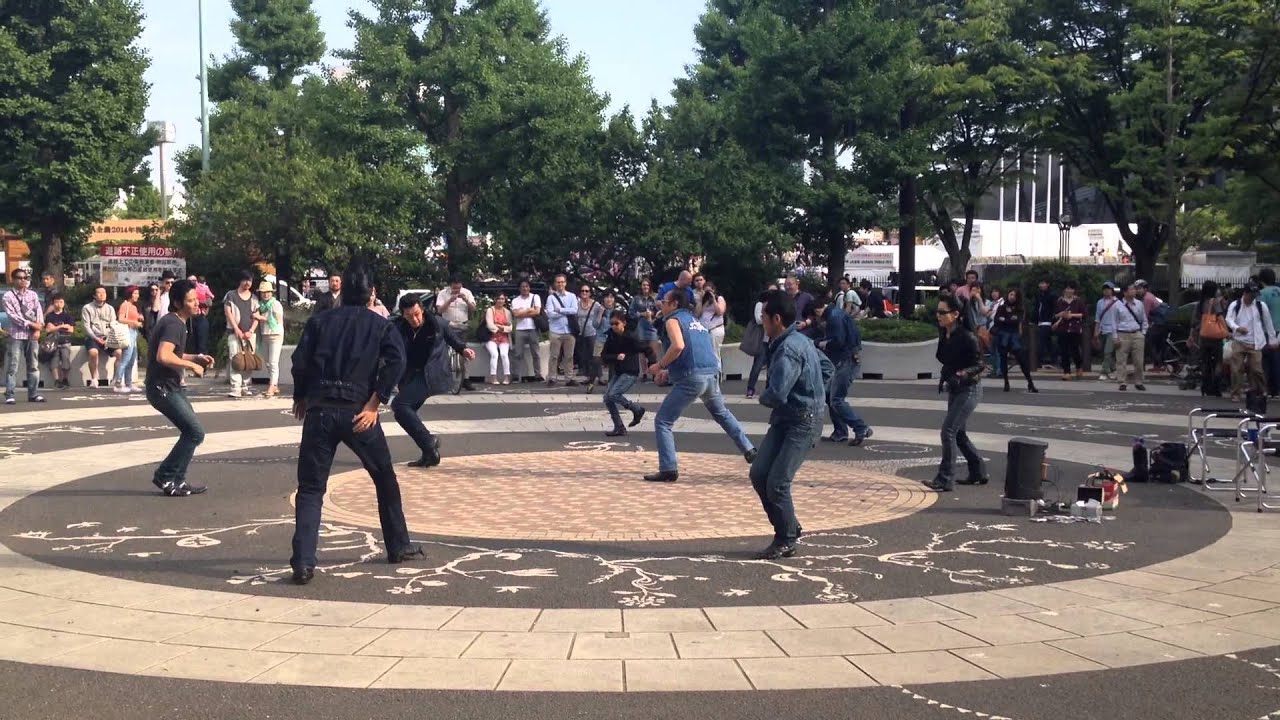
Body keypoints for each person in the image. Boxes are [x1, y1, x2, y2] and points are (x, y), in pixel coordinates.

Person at [290, 266, 424, 585]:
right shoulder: (380, 325)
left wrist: (301, 396)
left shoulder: (319, 321)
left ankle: (304, 562)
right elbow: (397, 362)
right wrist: (375, 403)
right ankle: (398, 545)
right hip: (358, 412)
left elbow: (299, 361)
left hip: (320, 409)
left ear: (342, 292)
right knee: (384, 477)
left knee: (310, 489)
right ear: (371, 293)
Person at [644, 288, 756, 483]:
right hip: (710, 374)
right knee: (722, 414)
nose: (661, 303)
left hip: (691, 378)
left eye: (664, 300)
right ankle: (748, 448)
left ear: (674, 304)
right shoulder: (696, 322)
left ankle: (668, 468)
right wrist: (669, 372)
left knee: (663, 421)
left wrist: (660, 365)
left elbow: (678, 346)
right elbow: (696, 351)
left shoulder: (672, 320)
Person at [751, 289, 832, 559]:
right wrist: (815, 391)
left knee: (777, 482)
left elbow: (776, 394)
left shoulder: (789, 349)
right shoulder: (797, 339)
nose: (760, 319)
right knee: (759, 473)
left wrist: (764, 397)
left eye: (763, 315)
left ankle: (785, 537)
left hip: (802, 421)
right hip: (787, 419)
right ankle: (788, 526)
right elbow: (827, 369)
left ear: (776, 318)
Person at [145, 279, 215, 497]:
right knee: (195, 432)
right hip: (162, 388)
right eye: (191, 300)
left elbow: (172, 353)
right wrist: (192, 365)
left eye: (196, 299)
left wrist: (196, 357)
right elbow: (163, 356)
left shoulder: (175, 321)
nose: (196, 303)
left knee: (191, 432)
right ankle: (166, 475)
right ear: (177, 303)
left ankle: (177, 479)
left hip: (169, 386)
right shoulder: (174, 324)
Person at [391, 293, 476, 468]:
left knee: (400, 405)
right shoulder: (398, 327)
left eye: (416, 314)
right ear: (403, 315)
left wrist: (464, 349)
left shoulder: (436, 323)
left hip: (432, 373)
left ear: (422, 309)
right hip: (411, 374)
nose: (414, 319)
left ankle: (429, 440)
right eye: (409, 316)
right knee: (403, 414)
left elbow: (452, 339)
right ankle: (429, 452)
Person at [928, 295, 987, 492]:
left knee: (948, 431)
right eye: (937, 312)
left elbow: (980, 365)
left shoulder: (967, 336)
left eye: (943, 312)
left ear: (955, 314)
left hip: (969, 388)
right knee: (958, 433)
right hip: (955, 386)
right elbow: (943, 358)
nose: (939, 315)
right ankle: (978, 471)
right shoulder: (945, 333)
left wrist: (963, 374)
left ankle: (945, 478)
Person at [815, 292, 873, 446]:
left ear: (820, 309)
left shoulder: (834, 317)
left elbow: (838, 342)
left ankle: (860, 427)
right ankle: (840, 431)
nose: (819, 319)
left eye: (817, 313)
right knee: (830, 396)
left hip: (845, 361)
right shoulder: (837, 314)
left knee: (836, 399)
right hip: (847, 359)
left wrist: (822, 343)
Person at [600, 309, 652, 436]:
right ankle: (619, 426)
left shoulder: (630, 337)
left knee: (613, 394)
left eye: (616, 324)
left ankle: (637, 409)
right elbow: (604, 355)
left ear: (623, 323)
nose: (613, 327)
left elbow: (647, 349)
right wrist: (616, 357)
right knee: (607, 398)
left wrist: (653, 365)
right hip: (618, 371)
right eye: (611, 324)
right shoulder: (611, 337)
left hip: (630, 372)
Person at [1226, 282, 1277, 403]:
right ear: (1245, 293)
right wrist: (1237, 328)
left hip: (1256, 342)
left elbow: (1268, 323)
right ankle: (1236, 393)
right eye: (1251, 295)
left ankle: (1261, 390)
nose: (1253, 297)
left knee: (1256, 369)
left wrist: (1272, 339)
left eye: (1255, 295)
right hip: (1239, 341)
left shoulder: (1261, 306)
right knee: (1236, 369)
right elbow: (1229, 319)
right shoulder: (1236, 305)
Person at [3, 269, 46, 404]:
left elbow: (38, 310)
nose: (23, 280)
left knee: (33, 365)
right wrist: (32, 325)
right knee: (13, 366)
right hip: (16, 334)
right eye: (19, 278)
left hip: (32, 335)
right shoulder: (8, 296)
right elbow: (13, 316)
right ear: (13, 279)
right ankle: (10, 394)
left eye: (25, 278)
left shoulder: (32, 294)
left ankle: (33, 393)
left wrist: (38, 328)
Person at [991, 288, 1037, 393]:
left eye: (1014, 295)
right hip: (1003, 335)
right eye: (1011, 294)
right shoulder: (1002, 307)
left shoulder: (1019, 308)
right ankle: (1006, 382)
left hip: (1014, 336)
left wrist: (1005, 320)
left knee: (1022, 359)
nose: (1012, 297)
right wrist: (1009, 319)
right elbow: (997, 320)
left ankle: (1030, 382)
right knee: (1003, 358)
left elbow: (1016, 320)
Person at [436, 277, 477, 391]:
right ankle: (445, 377)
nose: (457, 290)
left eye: (459, 288)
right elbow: (439, 311)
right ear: (450, 286)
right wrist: (449, 300)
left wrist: (466, 300)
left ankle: (465, 378)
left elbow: (473, 309)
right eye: (454, 288)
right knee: (445, 351)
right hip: (448, 325)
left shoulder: (467, 293)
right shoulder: (443, 293)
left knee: (465, 351)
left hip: (462, 325)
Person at [223, 271, 259, 398]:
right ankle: (235, 388)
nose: (247, 283)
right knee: (235, 359)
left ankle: (246, 386)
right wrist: (237, 329)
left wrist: (251, 331)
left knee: (249, 360)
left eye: (249, 280)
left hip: (250, 334)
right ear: (240, 280)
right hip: (234, 333)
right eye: (245, 280)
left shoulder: (254, 298)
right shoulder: (231, 295)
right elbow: (228, 313)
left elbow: (256, 316)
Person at [1190, 280, 1227, 397]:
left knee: (1205, 362)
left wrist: (1192, 335)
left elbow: (1193, 322)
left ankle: (1205, 385)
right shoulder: (1215, 302)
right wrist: (1226, 330)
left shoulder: (1199, 304)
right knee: (1218, 362)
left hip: (1203, 336)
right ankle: (1216, 386)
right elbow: (1220, 317)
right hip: (1216, 337)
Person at [81, 286, 121, 389]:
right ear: (94, 295)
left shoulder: (110, 308)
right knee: (93, 352)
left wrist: (110, 337)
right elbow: (86, 326)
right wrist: (95, 338)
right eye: (99, 293)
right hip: (93, 337)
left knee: (119, 353)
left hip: (108, 336)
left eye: (104, 293)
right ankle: (94, 379)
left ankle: (116, 378)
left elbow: (114, 324)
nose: (102, 295)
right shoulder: (87, 308)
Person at [545, 274, 579, 386]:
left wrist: (559, 310)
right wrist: (565, 311)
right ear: (555, 284)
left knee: (569, 356)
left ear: (565, 283)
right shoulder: (551, 298)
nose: (560, 284)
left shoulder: (572, 296)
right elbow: (550, 314)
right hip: (556, 331)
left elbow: (574, 310)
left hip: (569, 330)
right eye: (558, 282)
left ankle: (569, 378)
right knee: (554, 356)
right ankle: (552, 377)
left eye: (562, 282)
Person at [1114, 283, 1149, 392]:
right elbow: (1114, 322)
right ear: (1125, 292)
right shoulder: (1117, 305)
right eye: (1132, 289)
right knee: (1121, 360)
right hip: (1122, 333)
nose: (1134, 291)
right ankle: (1122, 382)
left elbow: (1144, 319)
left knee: (1139, 360)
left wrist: (1143, 332)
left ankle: (1138, 381)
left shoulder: (1139, 304)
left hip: (1137, 333)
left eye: (1135, 289)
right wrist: (1115, 337)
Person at [253, 281, 285, 397]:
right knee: (267, 362)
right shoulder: (260, 305)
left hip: (275, 334)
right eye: (263, 292)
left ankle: (272, 385)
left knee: (273, 362)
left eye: (268, 292)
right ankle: (274, 384)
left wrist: (260, 317)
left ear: (272, 293)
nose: (266, 294)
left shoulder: (275, 304)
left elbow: (277, 321)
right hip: (265, 334)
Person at [745, 286, 777, 399]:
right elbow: (758, 319)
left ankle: (769, 389)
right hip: (763, 339)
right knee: (758, 365)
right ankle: (750, 388)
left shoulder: (778, 305)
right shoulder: (760, 304)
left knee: (772, 365)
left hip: (774, 338)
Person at [510, 280, 543, 383]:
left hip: (533, 327)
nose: (525, 289)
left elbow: (537, 311)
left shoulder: (535, 297)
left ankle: (538, 375)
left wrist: (522, 312)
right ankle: (516, 376)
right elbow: (515, 315)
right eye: (523, 287)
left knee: (536, 353)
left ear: (529, 287)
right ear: (519, 288)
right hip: (520, 329)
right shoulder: (515, 300)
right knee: (518, 354)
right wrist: (529, 310)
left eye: (527, 286)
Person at [575, 285, 606, 390]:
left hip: (593, 332)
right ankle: (588, 377)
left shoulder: (595, 304)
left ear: (590, 293)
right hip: (581, 333)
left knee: (596, 357)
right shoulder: (577, 304)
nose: (584, 292)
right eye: (582, 290)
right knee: (586, 356)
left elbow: (602, 312)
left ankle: (600, 377)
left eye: (587, 291)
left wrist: (600, 318)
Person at [114, 285, 145, 392]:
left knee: (132, 359)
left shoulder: (134, 306)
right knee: (125, 359)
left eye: (138, 293)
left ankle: (128, 382)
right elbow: (120, 319)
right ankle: (118, 383)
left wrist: (139, 318)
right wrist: (133, 322)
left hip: (133, 333)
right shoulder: (125, 305)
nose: (137, 295)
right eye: (135, 293)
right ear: (130, 294)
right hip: (127, 332)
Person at [1053, 282, 1086, 380]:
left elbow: (1083, 314)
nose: (1069, 291)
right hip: (1062, 328)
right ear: (1064, 290)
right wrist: (1061, 314)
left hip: (1075, 328)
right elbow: (1055, 315)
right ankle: (1066, 372)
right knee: (1064, 351)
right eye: (1067, 289)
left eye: (1071, 289)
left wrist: (1072, 315)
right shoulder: (1059, 301)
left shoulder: (1078, 301)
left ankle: (1079, 366)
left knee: (1075, 350)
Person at [43, 294, 75, 390]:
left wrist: (55, 327)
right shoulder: (49, 316)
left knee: (66, 359)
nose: (59, 304)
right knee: (54, 361)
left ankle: (65, 379)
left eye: (61, 302)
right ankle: (56, 380)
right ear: (53, 303)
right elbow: (48, 330)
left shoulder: (67, 316)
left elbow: (71, 330)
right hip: (53, 342)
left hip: (65, 341)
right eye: (56, 302)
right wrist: (61, 326)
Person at [629, 280, 659, 380]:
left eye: (647, 285)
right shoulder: (636, 299)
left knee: (653, 350)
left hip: (652, 325)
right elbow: (631, 313)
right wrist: (641, 314)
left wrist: (653, 315)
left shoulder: (655, 297)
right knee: (642, 351)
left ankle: (654, 371)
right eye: (643, 285)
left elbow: (660, 310)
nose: (645, 287)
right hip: (641, 325)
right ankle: (644, 373)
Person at [483, 292, 514, 384]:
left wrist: (502, 328)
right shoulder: (490, 310)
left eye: (502, 299)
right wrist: (500, 328)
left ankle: (507, 376)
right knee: (494, 354)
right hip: (491, 337)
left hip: (504, 337)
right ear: (495, 300)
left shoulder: (507, 312)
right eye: (499, 298)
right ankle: (493, 377)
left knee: (504, 355)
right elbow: (490, 325)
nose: (500, 300)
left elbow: (510, 327)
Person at [1258, 269, 1280, 397]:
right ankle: (1276, 389)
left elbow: (1259, 314)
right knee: (1277, 361)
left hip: (1267, 332)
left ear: (1261, 280)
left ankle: (1264, 388)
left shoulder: (1262, 294)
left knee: (1264, 361)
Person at [1093, 282, 1120, 381]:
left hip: (1113, 330)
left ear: (1112, 290)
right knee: (1104, 352)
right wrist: (1096, 332)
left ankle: (1104, 371)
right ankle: (1113, 370)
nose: (1106, 291)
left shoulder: (1117, 303)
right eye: (1104, 289)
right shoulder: (1099, 302)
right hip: (1102, 330)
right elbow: (1097, 318)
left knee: (1107, 352)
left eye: (1108, 289)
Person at [697, 280, 727, 370]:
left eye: (709, 291)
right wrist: (702, 299)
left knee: (714, 353)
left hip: (715, 330)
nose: (708, 293)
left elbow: (720, 312)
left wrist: (713, 299)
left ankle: (717, 374)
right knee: (705, 354)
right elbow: (698, 314)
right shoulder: (703, 301)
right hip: (704, 330)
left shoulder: (719, 299)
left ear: (714, 290)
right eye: (706, 291)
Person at [1034, 279, 1057, 368]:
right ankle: (1054, 358)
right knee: (1047, 342)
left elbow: (1054, 308)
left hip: (1047, 322)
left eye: (1043, 283)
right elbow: (1037, 308)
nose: (1041, 285)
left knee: (1042, 341)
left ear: (1048, 284)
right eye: (1040, 283)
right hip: (1040, 321)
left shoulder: (1052, 295)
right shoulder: (1039, 295)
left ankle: (1038, 360)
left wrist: (1052, 320)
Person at [188, 273, 213, 356]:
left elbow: (209, 303)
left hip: (200, 318)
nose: (193, 282)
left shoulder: (203, 289)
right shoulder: (185, 291)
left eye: (194, 280)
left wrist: (198, 302)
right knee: (190, 344)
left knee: (202, 344)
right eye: (190, 281)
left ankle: (203, 364)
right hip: (188, 319)